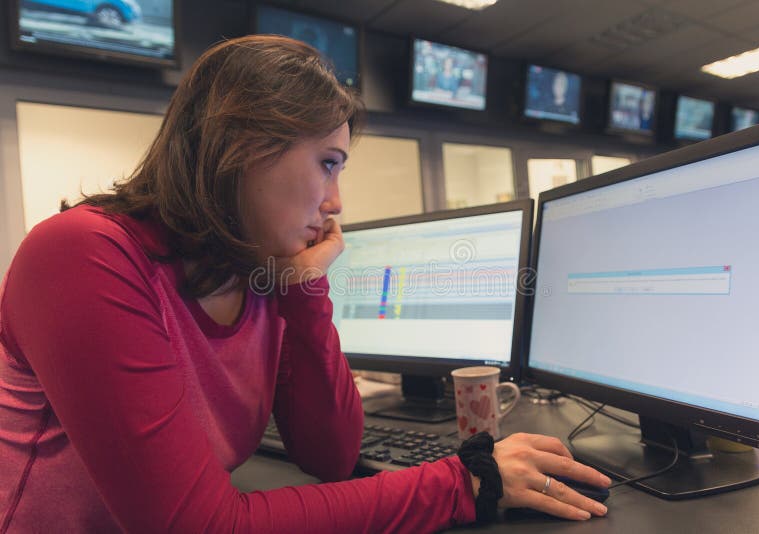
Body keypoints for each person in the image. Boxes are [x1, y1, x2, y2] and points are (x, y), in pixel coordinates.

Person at [0, 35, 610, 533]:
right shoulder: (83, 254)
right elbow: (197, 526)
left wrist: (305, 298)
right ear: (242, 145)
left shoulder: (257, 276)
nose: (336, 201)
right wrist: (466, 481)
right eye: (327, 163)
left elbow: (330, 456)